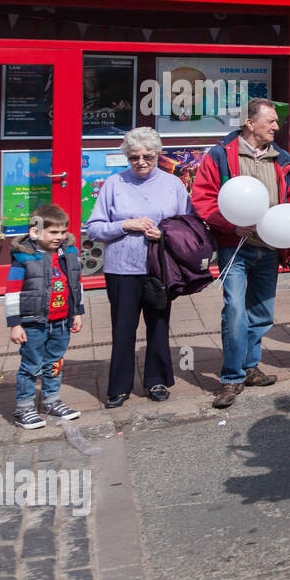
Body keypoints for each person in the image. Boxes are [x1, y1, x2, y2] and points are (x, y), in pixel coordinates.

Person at [192, 98, 290, 409]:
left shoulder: (283, 159)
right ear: (250, 123)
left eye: (276, 122)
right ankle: (231, 378)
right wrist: (231, 226)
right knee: (234, 311)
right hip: (235, 248)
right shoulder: (220, 156)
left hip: (270, 249)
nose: (276, 126)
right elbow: (203, 199)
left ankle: (249, 366)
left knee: (262, 314)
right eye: (270, 121)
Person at [84, 128, 191, 407]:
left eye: (147, 156)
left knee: (158, 325)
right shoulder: (114, 184)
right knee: (123, 328)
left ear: (157, 154)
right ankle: (119, 386)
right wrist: (124, 225)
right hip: (121, 268)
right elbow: (93, 229)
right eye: (134, 158)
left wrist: (164, 235)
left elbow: (188, 227)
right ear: (126, 158)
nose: (141, 162)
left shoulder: (173, 184)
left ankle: (156, 380)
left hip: (158, 266)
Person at [7, 204, 85, 429]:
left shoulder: (69, 253)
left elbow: (75, 284)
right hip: (33, 323)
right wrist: (15, 324)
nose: (59, 237)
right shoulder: (25, 257)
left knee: (55, 362)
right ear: (35, 232)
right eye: (53, 232)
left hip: (61, 320)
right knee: (31, 365)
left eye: (62, 232)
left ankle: (50, 400)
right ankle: (24, 408)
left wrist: (77, 312)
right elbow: (12, 293)